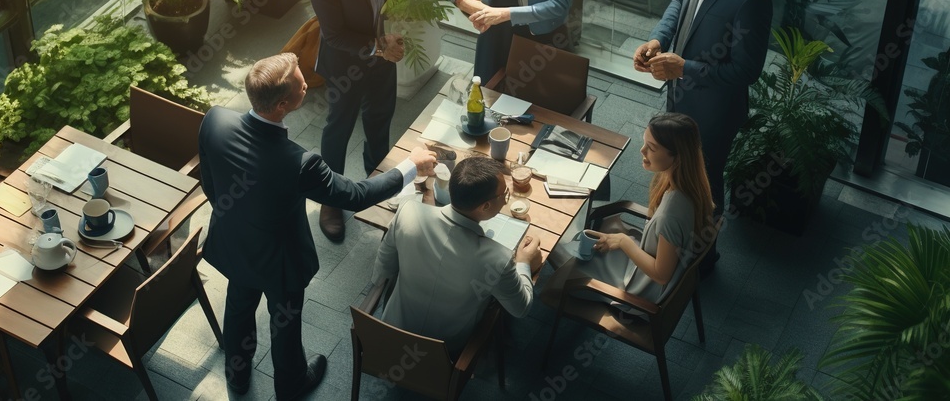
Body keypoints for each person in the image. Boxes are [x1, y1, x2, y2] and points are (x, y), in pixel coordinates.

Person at [198, 53, 438, 399]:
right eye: (301, 82)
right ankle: (291, 385)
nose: (307, 83)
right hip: (280, 263)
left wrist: (233, 214)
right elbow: (355, 196)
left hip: (233, 245)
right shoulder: (301, 163)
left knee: (238, 301)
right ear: (282, 104)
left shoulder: (215, 120)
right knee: (284, 321)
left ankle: (236, 374)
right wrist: (410, 166)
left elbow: (209, 180)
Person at [305, 0, 483, 242]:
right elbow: (335, 33)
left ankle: (381, 179)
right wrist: (377, 47)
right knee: (338, 128)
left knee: (379, 116)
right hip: (346, 56)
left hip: (379, 40)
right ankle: (330, 200)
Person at [632, 0, 772, 273]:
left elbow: (746, 71)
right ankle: (666, 242)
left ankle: (702, 263)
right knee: (675, 174)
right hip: (681, 97)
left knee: (704, 185)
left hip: (713, 112)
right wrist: (658, 37)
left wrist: (684, 69)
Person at [371, 156, 543, 353]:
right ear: (485, 206)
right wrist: (524, 262)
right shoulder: (498, 259)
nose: (506, 198)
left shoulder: (408, 212)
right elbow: (521, 309)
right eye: (504, 195)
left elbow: (381, 271)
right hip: (442, 355)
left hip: (388, 334)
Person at [546, 113, 715, 304]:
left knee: (557, 248)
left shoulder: (671, 216)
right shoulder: (689, 187)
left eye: (651, 148)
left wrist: (625, 242)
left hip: (640, 289)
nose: (642, 151)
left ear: (677, 158)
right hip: (644, 265)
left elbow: (661, 275)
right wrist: (621, 241)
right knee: (590, 235)